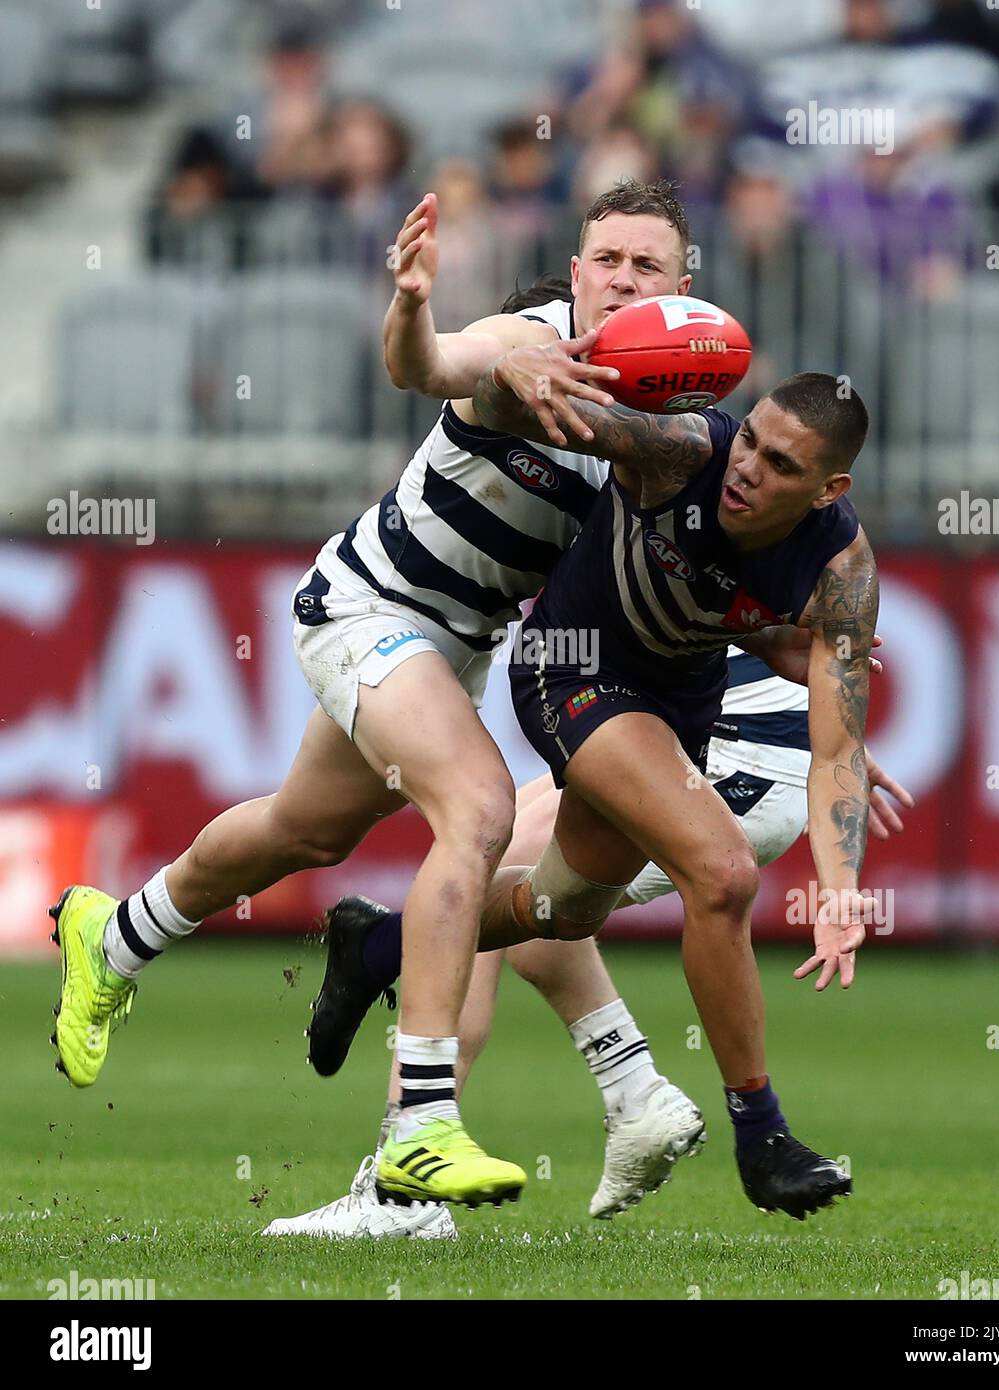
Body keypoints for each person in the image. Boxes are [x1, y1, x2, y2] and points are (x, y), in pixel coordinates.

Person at [48, 179, 751, 1211]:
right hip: (366, 607)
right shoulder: (531, 343)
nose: (622, 280)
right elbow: (425, 366)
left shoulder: (674, 426)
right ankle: (421, 1123)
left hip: (451, 649)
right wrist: (413, 303)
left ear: (684, 291)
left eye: (647, 266)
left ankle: (111, 935)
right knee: (480, 807)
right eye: (606, 260)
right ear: (575, 272)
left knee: (302, 830)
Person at [293, 361, 880, 1220]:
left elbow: (836, 753)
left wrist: (841, 893)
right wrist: (486, 356)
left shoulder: (845, 574)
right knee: (721, 874)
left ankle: (375, 948)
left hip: (676, 703)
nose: (750, 467)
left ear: (831, 489)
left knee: (560, 911)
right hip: (571, 668)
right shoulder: (684, 451)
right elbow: (550, 413)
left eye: (782, 466)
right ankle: (763, 1137)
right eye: (750, 439)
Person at [265, 652, 912, 1239]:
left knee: (487, 872)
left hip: (724, 753)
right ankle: (634, 1092)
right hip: (713, 738)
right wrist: (825, 739)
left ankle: (400, 1194)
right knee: (542, 900)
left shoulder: (672, 524)